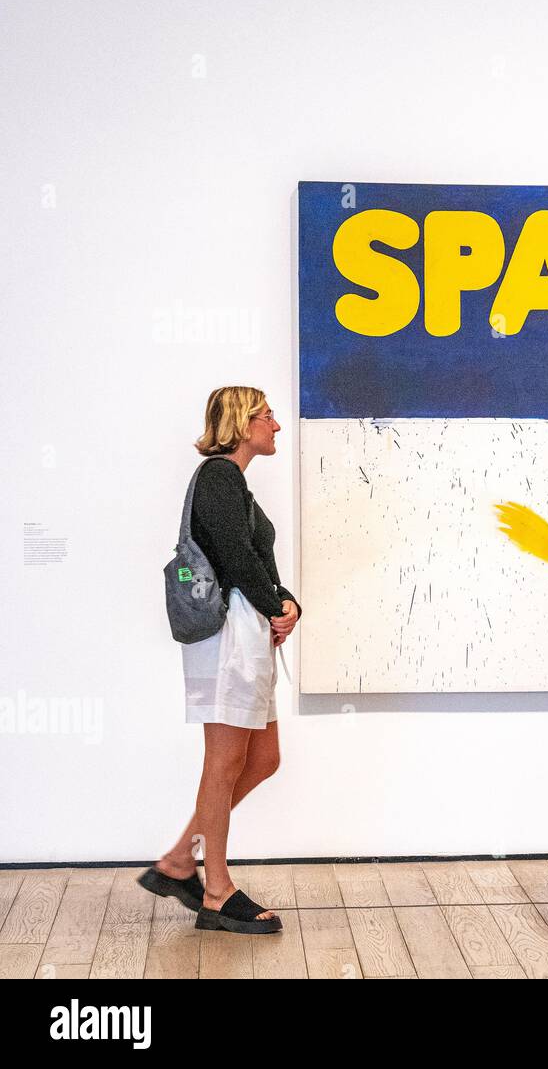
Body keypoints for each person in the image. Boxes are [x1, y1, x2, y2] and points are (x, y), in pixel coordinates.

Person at [137, 387, 301, 933]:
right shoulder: (217, 478)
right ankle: (216, 890)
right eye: (268, 416)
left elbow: (253, 558)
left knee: (263, 757)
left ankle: (182, 859)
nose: (276, 426)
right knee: (224, 762)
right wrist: (277, 604)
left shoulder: (235, 484)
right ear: (242, 421)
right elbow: (233, 558)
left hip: (246, 632)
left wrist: (285, 601)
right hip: (228, 638)